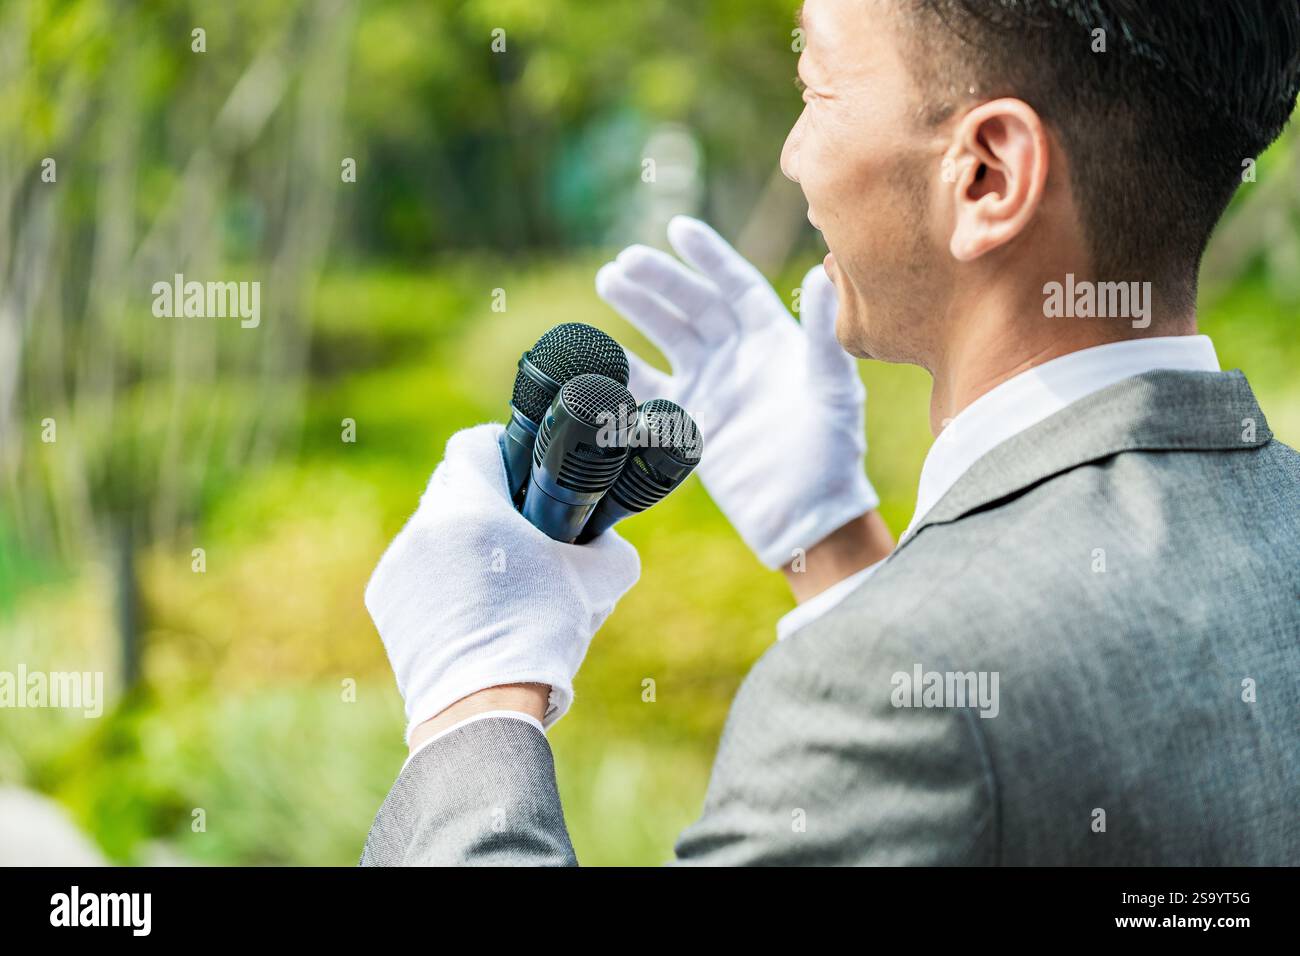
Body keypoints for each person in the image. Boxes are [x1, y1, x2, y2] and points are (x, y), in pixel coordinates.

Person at [359, 0, 1300, 865]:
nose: (792, 153)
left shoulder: (869, 689)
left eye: (817, 90)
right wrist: (839, 552)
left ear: (987, 174)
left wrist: (472, 710)